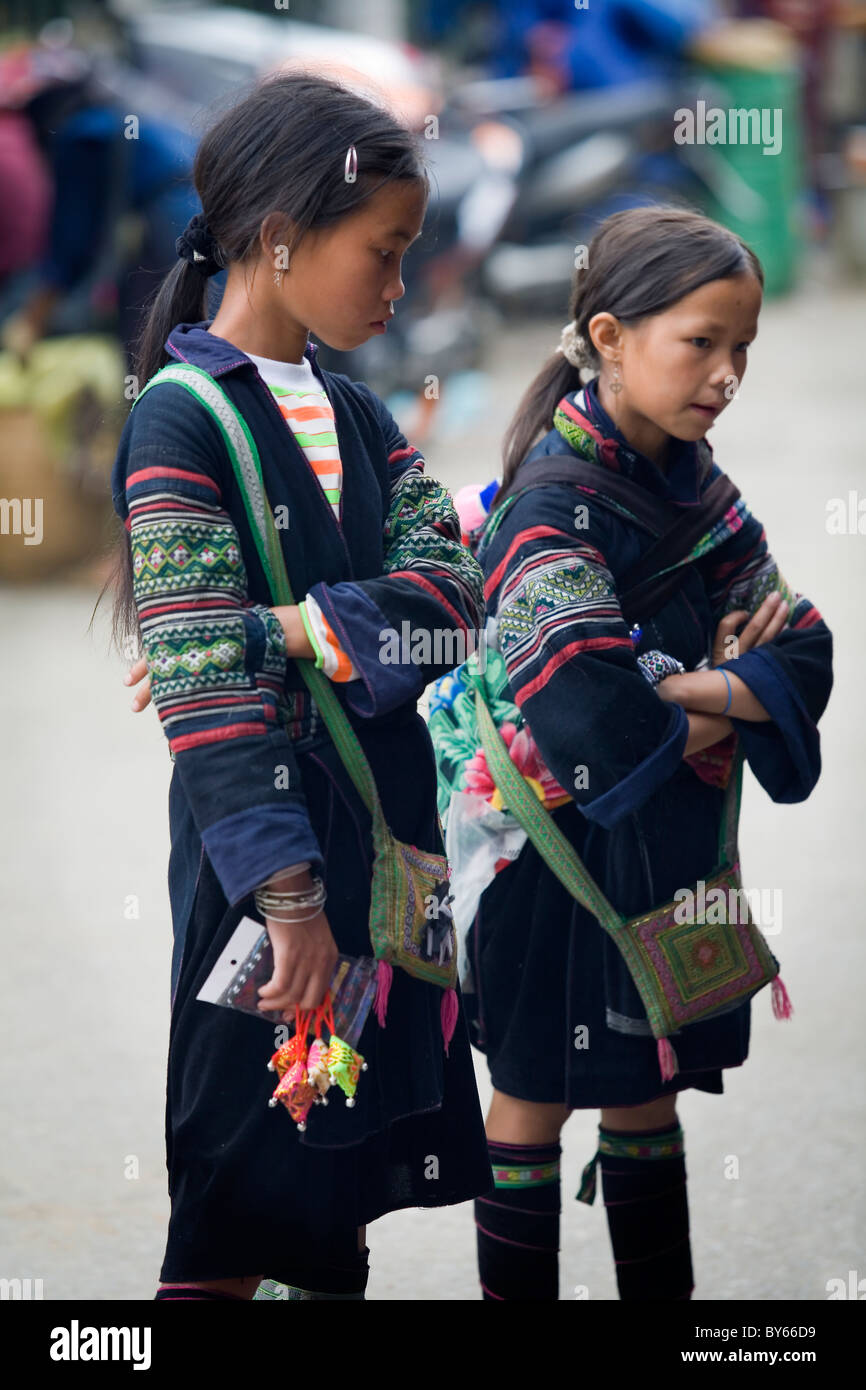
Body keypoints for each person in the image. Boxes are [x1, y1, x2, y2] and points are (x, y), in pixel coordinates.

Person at [99, 70, 493, 1301]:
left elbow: (457, 602)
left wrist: (274, 626)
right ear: (280, 238)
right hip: (264, 877)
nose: (399, 281)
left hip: (374, 867)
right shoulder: (182, 419)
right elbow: (207, 705)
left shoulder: (361, 413)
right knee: (228, 1201)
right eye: (383, 252)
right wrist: (286, 903)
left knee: (327, 1196)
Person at [431, 204, 833, 1300]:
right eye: (699, 341)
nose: (726, 372)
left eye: (740, 345)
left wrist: (672, 687)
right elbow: (589, 721)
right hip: (539, 865)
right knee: (529, 1097)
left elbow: (803, 649)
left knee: (644, 1086)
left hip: (649, 847)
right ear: (608, 336)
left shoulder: (698, 490)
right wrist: (723, 695)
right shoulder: (546, 509)